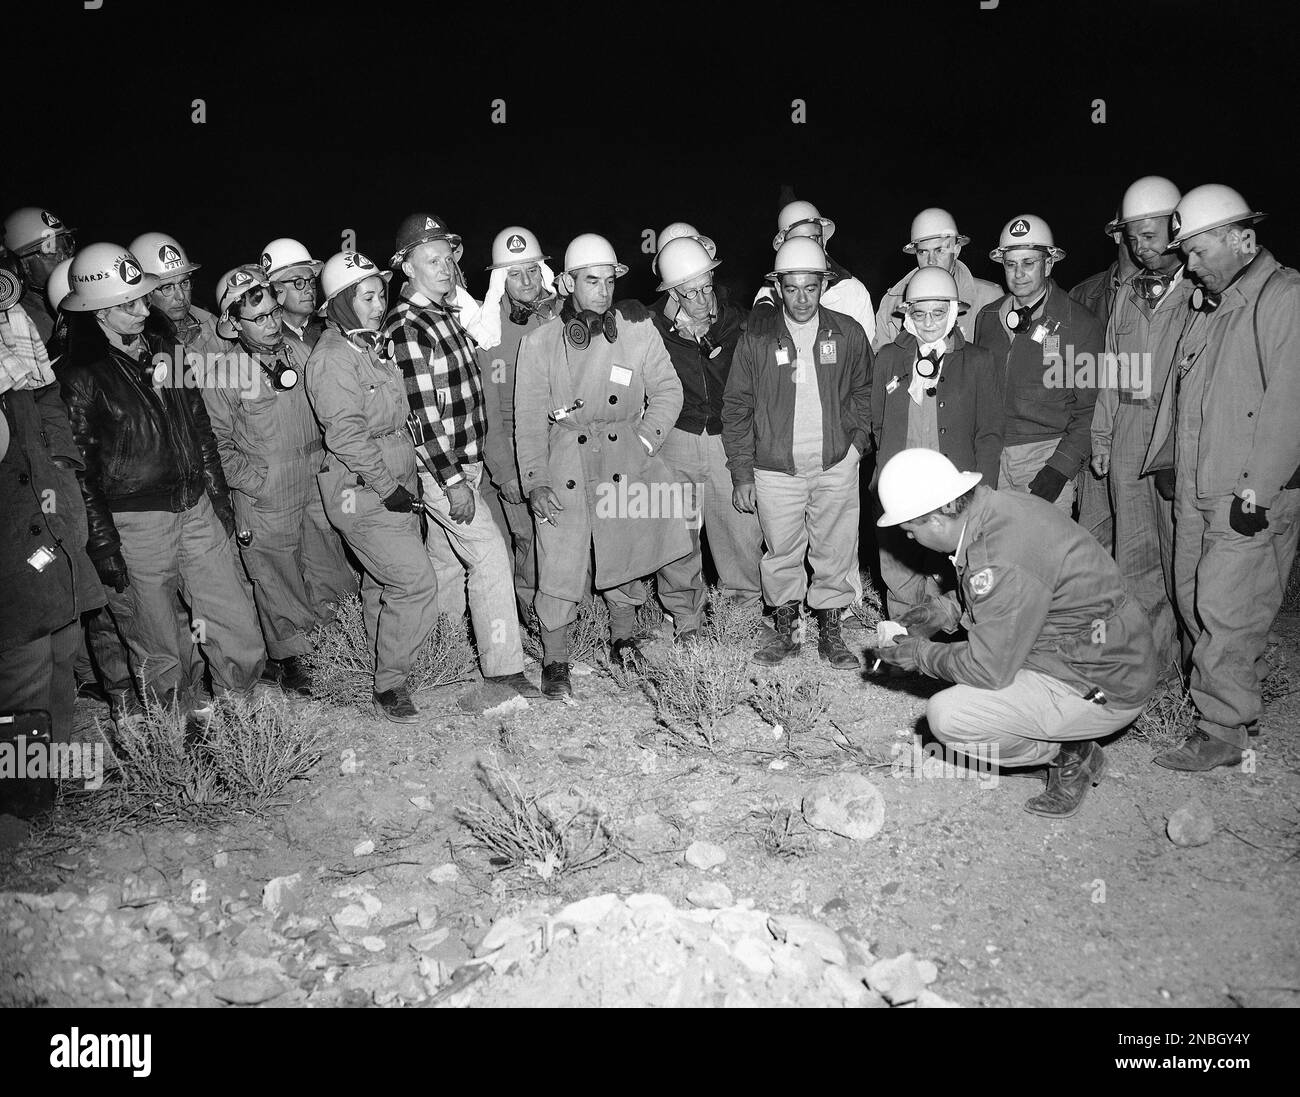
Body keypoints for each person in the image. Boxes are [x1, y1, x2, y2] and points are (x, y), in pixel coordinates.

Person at [874, 449, 1157, 818]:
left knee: (950, 715)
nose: (910, 539)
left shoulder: (999, 555)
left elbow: (989, 668)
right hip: (1094, 653)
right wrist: (943, 610)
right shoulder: (999, 510)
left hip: (1101, 682)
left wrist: (920, 655)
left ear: (940, 517)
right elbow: (1011, 594)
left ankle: (1070, 755)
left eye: (911, 530)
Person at [57, 243, 266, 714]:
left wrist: (219, 500)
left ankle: (243, 710)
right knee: (161, 640)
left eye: (141, 297)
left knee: (231, 619)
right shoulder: (81, 376)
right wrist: (103, 542)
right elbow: (79, 471)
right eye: (125, 304)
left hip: (195, 510)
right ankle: (179, 730)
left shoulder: (167, 351)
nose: (140, 308)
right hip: (136, 525)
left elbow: (200, 429)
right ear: (96, 313)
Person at [1143, 185, 1300, 771]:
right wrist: (1166, 463)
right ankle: (1241, 703)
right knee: (1196, 604)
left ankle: (1223, 732)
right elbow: (1183, 399)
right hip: (1198, 488)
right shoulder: (1213, 308)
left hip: (1246, 492)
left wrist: (1258, 485)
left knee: (1228, 611)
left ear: (1244, 239)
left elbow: (1291, 401)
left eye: (1199, 252)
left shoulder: (1282, 298)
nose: (1190, 265)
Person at [515, 233, 691, 698]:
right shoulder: (539, 343)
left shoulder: (637, 331)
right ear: (567, 282)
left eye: (609, 280)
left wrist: (644, 442)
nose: (603, 290)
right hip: (565, 462)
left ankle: (624, 637)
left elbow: (669, 391)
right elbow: (529, 421)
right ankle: (555, 660)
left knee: (626, 550)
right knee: (560, 561)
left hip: (623, 457)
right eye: (591, 280)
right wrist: (534, 481)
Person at [382, 214, 539, 700]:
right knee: (489, 555)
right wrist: (451, 482)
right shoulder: (408, 326)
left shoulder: (443, 313)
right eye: (432, 260)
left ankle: (438, 656)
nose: (446, 267)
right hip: (442, 468)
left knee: (446, 563)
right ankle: (503, 668)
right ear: (406, 268)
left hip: (461, 462)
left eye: (449, 258)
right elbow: (420, 417)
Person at [202, 265, 355, 695]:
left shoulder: (298, 350)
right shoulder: (223, 373)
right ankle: (295, 659)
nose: (271, 323)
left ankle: (335, 643)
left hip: (314, 477)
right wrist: (254, 481)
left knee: (327, 562)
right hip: (266, 492)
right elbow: (213, 444)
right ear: (233, 325)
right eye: (259, 318)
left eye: (273, 312)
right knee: (278, 576)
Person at [723, 237, 872, 669]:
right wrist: (742, 473)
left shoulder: (847, 332)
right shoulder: (756, 337)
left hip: (834, 464)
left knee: (835, 549)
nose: (802, 298)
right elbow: (736, 407)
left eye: (811, 287)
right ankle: (787, 629)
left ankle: (831, 629)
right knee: (781, 551)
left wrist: (856, 444)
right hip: (775, 469)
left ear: (824, 284)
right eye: (792, 288)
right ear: (778, 286)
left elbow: (864, 392)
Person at [304, 250, 440, 722]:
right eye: (367, 296)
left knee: (381, 584)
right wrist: (387, 487)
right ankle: (391, 685)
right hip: (361, 488)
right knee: (416, 582)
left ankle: (380, 663)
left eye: (381, 294)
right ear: (341, 301)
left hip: (392, 480)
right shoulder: (332, 359)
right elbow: (345, 435)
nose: (379, 303)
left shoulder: (366, 346)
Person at [0, 299, 107, 812]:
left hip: (45, 503)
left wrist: (62, 461)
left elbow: (44, 397)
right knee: (22, 663)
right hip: (8, 522)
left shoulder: (13, 330)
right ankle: (22, 803)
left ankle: (54, 768)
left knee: (62, 644)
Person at [1089, 177, 1190, 677]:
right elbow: (1110, 370)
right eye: (1133, 238)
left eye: (1150, 235)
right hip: (1129, 430)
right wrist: (1102, 437)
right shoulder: (1127, 295)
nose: (1141, 247)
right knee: (1134, 562)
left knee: (1184, 561)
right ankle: (1153, 669)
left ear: (1177, 226)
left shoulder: (1202, 289)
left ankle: (1197, 672)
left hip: (1180, 435)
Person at [870, 266, 1003, 619]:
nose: (929, 322)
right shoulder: (888, 357)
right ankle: (903, 633)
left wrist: (983, 490)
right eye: (919, 313)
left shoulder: (978, 361)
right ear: (907, 314)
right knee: (898, 565)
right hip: (902, 481)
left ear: (955, 311)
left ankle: (945, 637)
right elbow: (878, 422)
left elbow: (989, 432)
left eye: (938, 312)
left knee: (947, 567)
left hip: (953, 484)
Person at [651, 234, 761, 640]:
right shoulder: (652, 327)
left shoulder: (738, 321)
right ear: (672, 294)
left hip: (725, 439)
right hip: (677, 438)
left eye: (706, 287)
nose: (701, 299)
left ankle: (745, 618)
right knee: (678, 533)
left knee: (739, 531)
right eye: (689, 292)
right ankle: (685, 619)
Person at [974, 215, 1103, 515]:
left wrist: (1061, 468)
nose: (1018, 274)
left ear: (1049, 264)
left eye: (1029, 263)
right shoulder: (988, 318)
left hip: (1045, 459)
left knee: (1045, 558)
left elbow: (1091, 408)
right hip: (992, 461)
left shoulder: (1081, 324)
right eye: (1010, 264)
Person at [471, 226, 560, 620]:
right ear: (499, 281)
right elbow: (487, 410)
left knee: (571, 539)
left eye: (532, 271)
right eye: (514, 274)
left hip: (564, 442)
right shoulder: (487, 331)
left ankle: (577, 622)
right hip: (514, 451)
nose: (526, 282)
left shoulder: (562, 318)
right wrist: (505, 472)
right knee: (527, 539)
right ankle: (532, 622)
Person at [1069, 214, 1139, 551]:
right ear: (1116, 235)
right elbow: (1062, 379)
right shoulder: (1084, 296)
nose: (1142, 244)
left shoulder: (1176, 292)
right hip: (1094, 442)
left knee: (1145, 551)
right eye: (1133, 233)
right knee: (1091, 545)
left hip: (1146, 443)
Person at [873, 209, 1002, 349]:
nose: (931, 261)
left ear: (956, 250)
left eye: (939, 250)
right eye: (923, 252)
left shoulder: (988, 299)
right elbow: (882, 363)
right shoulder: (892, 302)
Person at [753, 200, 876, 343]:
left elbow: (865, 357)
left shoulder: (852, 291)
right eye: (798, 240)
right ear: (784, 247)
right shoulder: (768, 292)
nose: (807, 246)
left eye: (813, 238)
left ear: (823, 241)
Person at [129, 231, 227, 361]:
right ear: (145, 294)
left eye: (184, 283)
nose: (181, 296)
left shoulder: (212, 323)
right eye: (167, 287)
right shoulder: (142, 347)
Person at [2, 206, 76, 345]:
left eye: (66, 246)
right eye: (50, 253)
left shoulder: (82, 291)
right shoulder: (22, 325)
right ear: (20, 266)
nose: (64, 258)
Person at [261, 238, 326, 352]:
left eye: (312, 281)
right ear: (275, 290)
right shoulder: (264, 340)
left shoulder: (329, 328)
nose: (309, 290)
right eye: (298, 283)